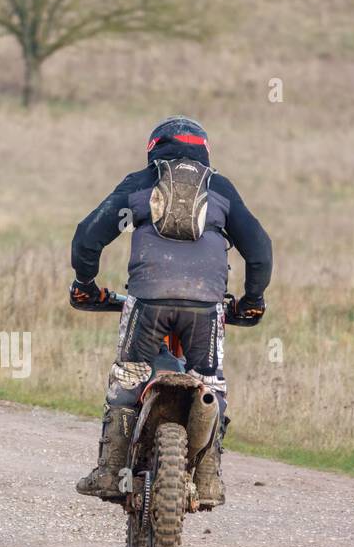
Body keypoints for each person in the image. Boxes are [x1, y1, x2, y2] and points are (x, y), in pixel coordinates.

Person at [70, 116, 272, 505]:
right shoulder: (221, 189)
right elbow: (260, 250)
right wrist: (252, 299)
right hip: (206, 307)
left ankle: (112, 473)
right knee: (209, 382)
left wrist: (85, 284)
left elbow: (87, 236)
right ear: (205, 152)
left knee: (129, 375)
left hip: (148, 301)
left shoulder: (139, 184)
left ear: (152, 150)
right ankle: (209, 478)